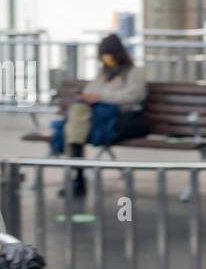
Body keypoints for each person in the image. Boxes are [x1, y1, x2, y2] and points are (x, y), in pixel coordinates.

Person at [51, 34, 149, 197]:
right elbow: (89, 92)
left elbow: (133, 96)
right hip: (96, 119)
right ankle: (78, 176)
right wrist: (90, 96)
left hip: (121, 119)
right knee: (77, 113)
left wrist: (101, 97)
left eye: (108, 54)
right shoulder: (103, 74)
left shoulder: (134, 72)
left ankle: (78, 177)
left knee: (74, 126)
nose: (106, 59)